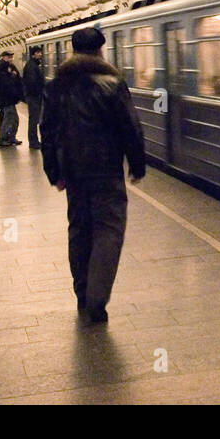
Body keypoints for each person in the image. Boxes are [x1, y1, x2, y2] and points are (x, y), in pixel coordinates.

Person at [41, 26, 146, 324]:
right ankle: (96, 299)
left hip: (73, 173)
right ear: (101, 50)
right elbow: (130, 127)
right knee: (108, 230)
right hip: (106, 171)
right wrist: (136, 165)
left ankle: (82, 293)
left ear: (73, 51)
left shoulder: (55, 86)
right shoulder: (112, 84)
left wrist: (54, 173)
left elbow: (47, 132)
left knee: (79, 228)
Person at [0, 50, 24, 148]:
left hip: (10, 98)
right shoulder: (1, 68)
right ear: (3, 57)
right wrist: (12, 76)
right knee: (9, 119)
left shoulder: (10, 67)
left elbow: (18, 79)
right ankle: (2, 139)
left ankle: (11, 137)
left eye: (11, 57)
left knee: (14, 119)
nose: (10, 59)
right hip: (6, 99)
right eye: (8, 57)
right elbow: (5, 84)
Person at [22, 45, 46, 150]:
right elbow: (32, 83)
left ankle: (34, 140)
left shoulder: (33, 65)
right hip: (34, 97)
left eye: (40, 52)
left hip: (34, 96)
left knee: (34, 118)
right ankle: (33, 141)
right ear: (33, 54)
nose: (40, 54)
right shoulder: (31, 66)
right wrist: (39, 92)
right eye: (38, 53)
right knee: (34, 119)